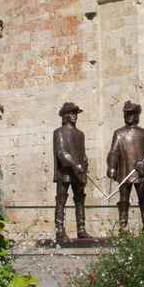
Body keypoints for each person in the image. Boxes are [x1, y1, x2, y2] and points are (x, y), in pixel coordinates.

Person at [107, 100, 144, 231]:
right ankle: (123, 225)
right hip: (124, 172)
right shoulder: (119, 134)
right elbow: (113, 153)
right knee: (124, 200)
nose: (129, 117)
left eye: (132, 114)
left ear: (137, 116)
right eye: (127, 114)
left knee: (143, 199)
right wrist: (111, 166)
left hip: (141, 173)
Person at [52, 102, 90, 243]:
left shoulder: (80, 134)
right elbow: (62, 153)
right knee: (61, 200)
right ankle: (60, 229)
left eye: (75, 114)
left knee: (80, 199)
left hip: (79, 172)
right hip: (65, 172)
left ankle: (81, 229)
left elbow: (82, 152)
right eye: (72, 114)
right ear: (66, 116)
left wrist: (85, 163)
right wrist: (75, 164)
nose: (74, 116)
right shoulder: (59, 132)